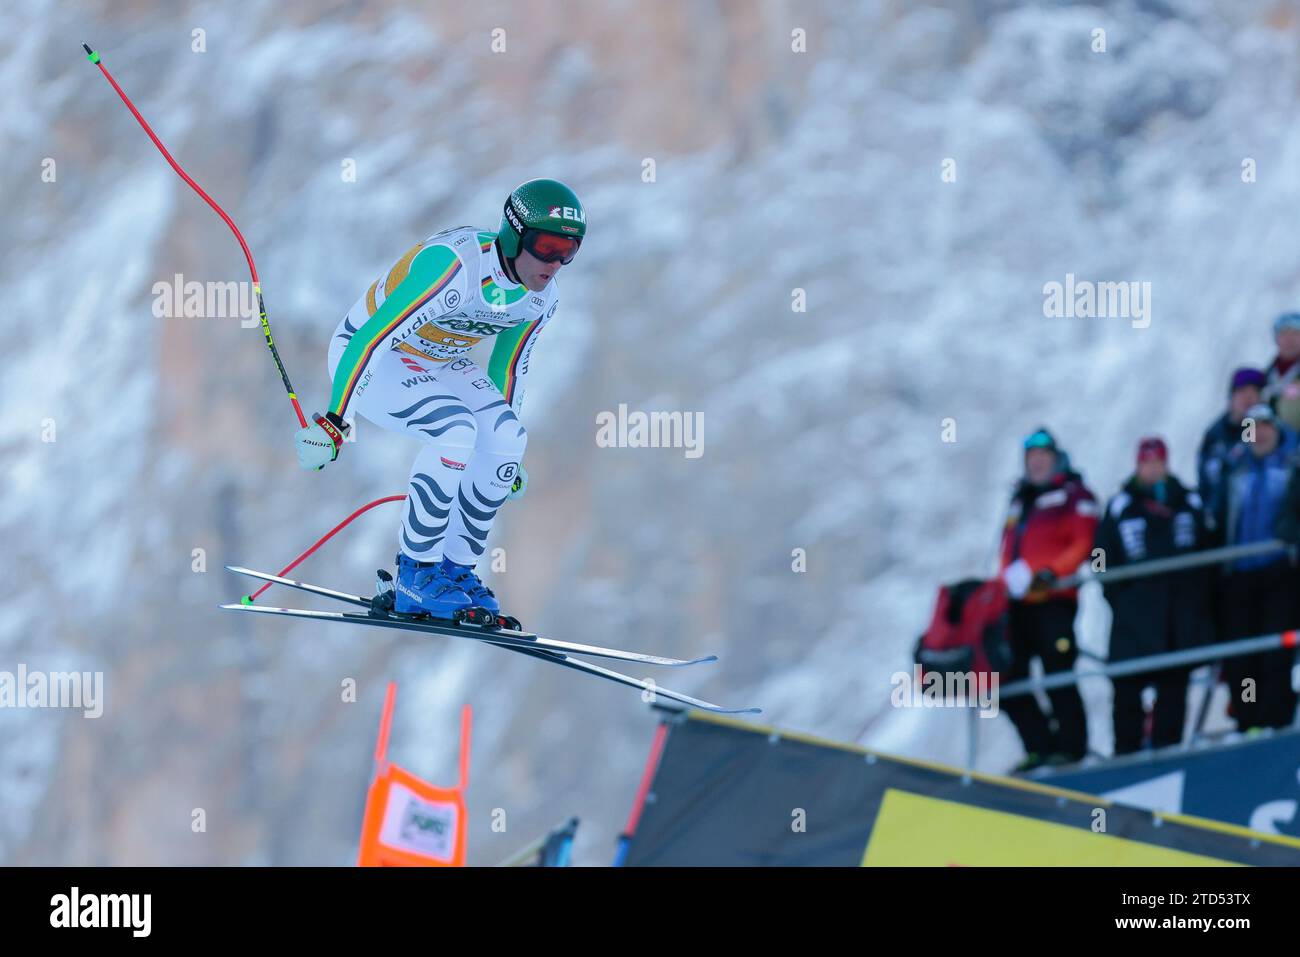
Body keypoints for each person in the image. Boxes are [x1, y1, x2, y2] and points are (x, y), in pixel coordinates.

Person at [294, 178, 586, 618]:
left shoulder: (540, 299)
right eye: (547, 247)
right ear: (514, 233)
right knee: (455, 430)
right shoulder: (454, 267)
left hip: (441, 356)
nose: (557, 262)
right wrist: (335, 421)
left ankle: (455, 571)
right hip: (377, 353)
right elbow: (371, 338)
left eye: (569, 250)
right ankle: (415, 575)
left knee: (507, 438)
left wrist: (498, 462)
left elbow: (506, 369)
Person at [1094, 438, 1211, 755]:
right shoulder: (1121, 505)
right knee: (1127, 689)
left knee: (1173, 686)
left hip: (1178, 617)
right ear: (1138, 465)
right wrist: (1119, 595)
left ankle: (1167, 751)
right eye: (1147, 462)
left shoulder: (1187, 501)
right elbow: (1100, 557)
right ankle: (1126, 757)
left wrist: (1194, 598)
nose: (1153, 469)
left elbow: (1208, 549)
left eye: (1158, 462)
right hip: (1134, 618)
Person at [998, 428, 1100, 771]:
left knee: (1057, 670)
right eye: (1031, 458)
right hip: (1017, 604)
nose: (1037, 463)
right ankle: (1038, 746)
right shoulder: (1020, 501)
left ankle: (1071, 749)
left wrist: (1049, 573)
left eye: (1043, 456)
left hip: (1055, 598)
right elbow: (1007, 550)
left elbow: (1084, 542)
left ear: (1055, 458)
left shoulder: (1073, 494)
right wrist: (1004, 583)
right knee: (1006, 675)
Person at [1220, 403, 1300, 730]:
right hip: (1240, 575)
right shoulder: (1235, 472)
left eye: (1266, 426)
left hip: (1280, 571)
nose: (1260, 433)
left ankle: (1274, 719)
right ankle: (1248, 718)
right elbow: (1218, 517)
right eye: (1253, 427)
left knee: (1275, 652)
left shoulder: (1291, 467)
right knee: (1242, 656)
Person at [1197, 367, 1265, 542]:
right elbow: (1205, 479)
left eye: (1254, 392)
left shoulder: (1257, 427)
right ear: (1232, 396)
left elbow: (1248, 454)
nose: (1248, 398)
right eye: (1242, 391)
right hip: (1221, 521)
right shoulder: (1215, 433)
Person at [1263, 312, 1300, 431]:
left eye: (1295, 333)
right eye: (1284, 334)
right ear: (1277, 338)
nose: (1289, 339)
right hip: (1267, 446)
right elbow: (1250, 414)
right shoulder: (1261, 379)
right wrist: (1249, 443)